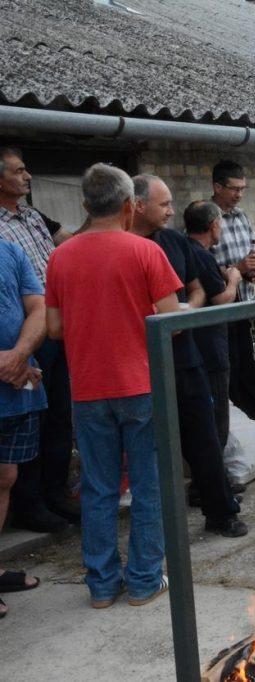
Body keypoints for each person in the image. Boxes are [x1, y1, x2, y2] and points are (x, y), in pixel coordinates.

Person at [46, 164, 183, 608]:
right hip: (142, 385)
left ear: (85, 205)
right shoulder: (144, 252)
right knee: (148, 484)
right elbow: (172, 322)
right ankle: (144, 582)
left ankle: (102, 586)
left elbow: (53, 329)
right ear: (129, 206)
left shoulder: (60, 256)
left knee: (98, 487)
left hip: (87, 388)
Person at [131, 175, 246, 537]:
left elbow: (197, 290)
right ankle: (154, 529)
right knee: (149, 447)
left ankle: (221, 512)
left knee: (204, 438)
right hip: (140, 363)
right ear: (136, 205)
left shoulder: (174, 242)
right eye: (164, 204)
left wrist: (183, 313)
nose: (170, 210)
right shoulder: (124, 247)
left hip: (185, 355)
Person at [0, 147, 76, 532]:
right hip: (24, 338)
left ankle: (57, 494)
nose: (28, 176)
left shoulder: (33, 217)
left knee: (62, 413)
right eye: (20, 170)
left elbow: (73, 245)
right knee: (32, 418)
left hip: (57, 325)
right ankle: (30, 505)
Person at [207, 161, 255, 433]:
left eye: (242, 189)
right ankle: (236, 434)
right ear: (217, 187)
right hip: (222, 310)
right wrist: (238, 269)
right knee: (229, 375)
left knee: (248, 372)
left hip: (245, 306)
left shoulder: (242, 216)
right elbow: (204, 266)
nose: (238, 194)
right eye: (234, 189)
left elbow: (253, 248)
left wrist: (254, 270)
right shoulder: (206, 217)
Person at [0, 237, 47, 618]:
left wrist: (18, 356)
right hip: (10, 377)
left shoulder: (10, 250)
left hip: (14, 386)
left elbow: (37, 307)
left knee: (5, 476)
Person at [183, 200, 243, 453]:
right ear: (213, 225)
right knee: (217, 413)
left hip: (191, 345)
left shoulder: (183, 248)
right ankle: (216, 481)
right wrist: (234, 279)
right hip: (210, 347)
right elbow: (221, 299)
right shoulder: (202, 255)